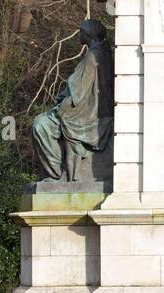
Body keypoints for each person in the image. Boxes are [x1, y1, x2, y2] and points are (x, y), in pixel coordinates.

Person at [32, 19, 114, 180]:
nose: (79, 34)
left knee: (40, 125)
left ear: (88, 34)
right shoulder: (99, 53)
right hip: (86, 110)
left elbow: (80, 92)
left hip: (84, 114)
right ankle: (57, 174)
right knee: (42, 122)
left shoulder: (93, 56)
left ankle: (55, 174)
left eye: (81, 31)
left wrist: (63, 107)